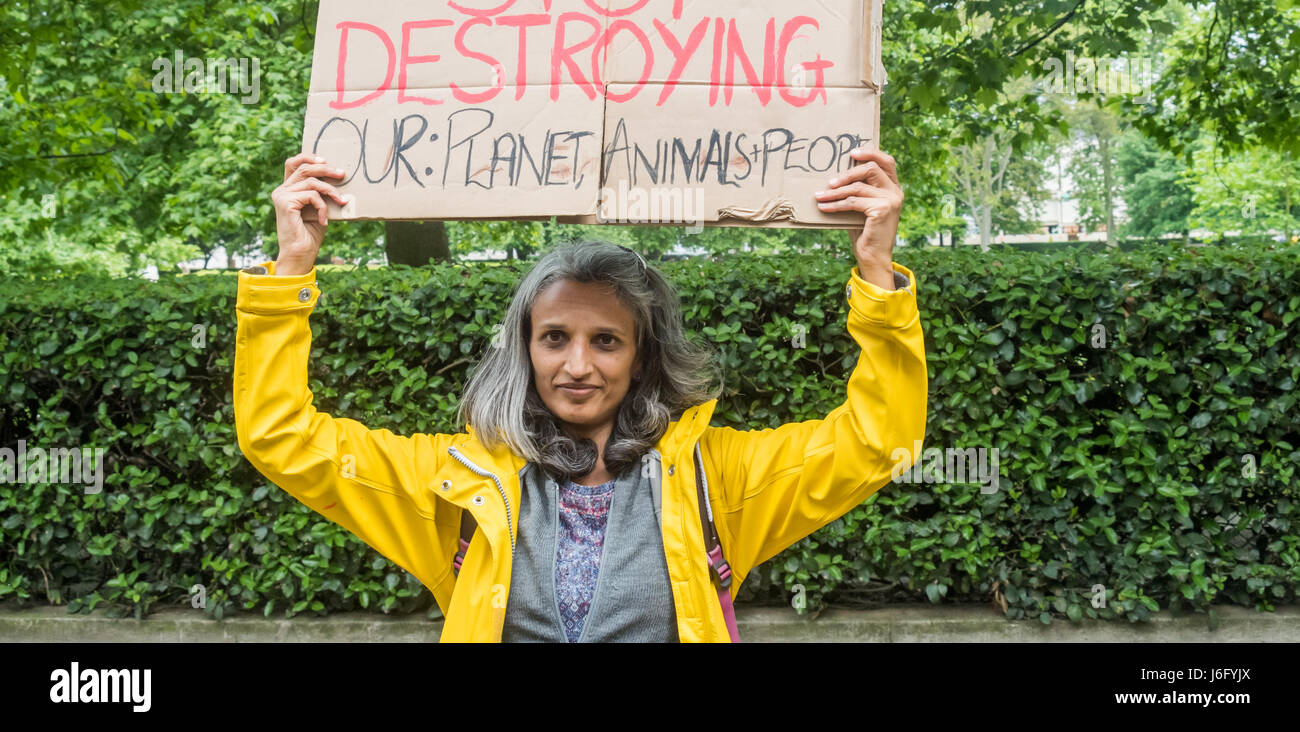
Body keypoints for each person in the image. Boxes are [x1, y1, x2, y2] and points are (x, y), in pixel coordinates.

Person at [233, 146, 927, 642]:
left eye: (606, 341)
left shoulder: (714, 477)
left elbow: (878, 443)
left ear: (641, 356)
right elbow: (281, 439)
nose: (577, 364)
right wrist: (290, 271)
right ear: (525, 348)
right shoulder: (456, 482)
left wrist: (876, 275)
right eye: (555, 337)